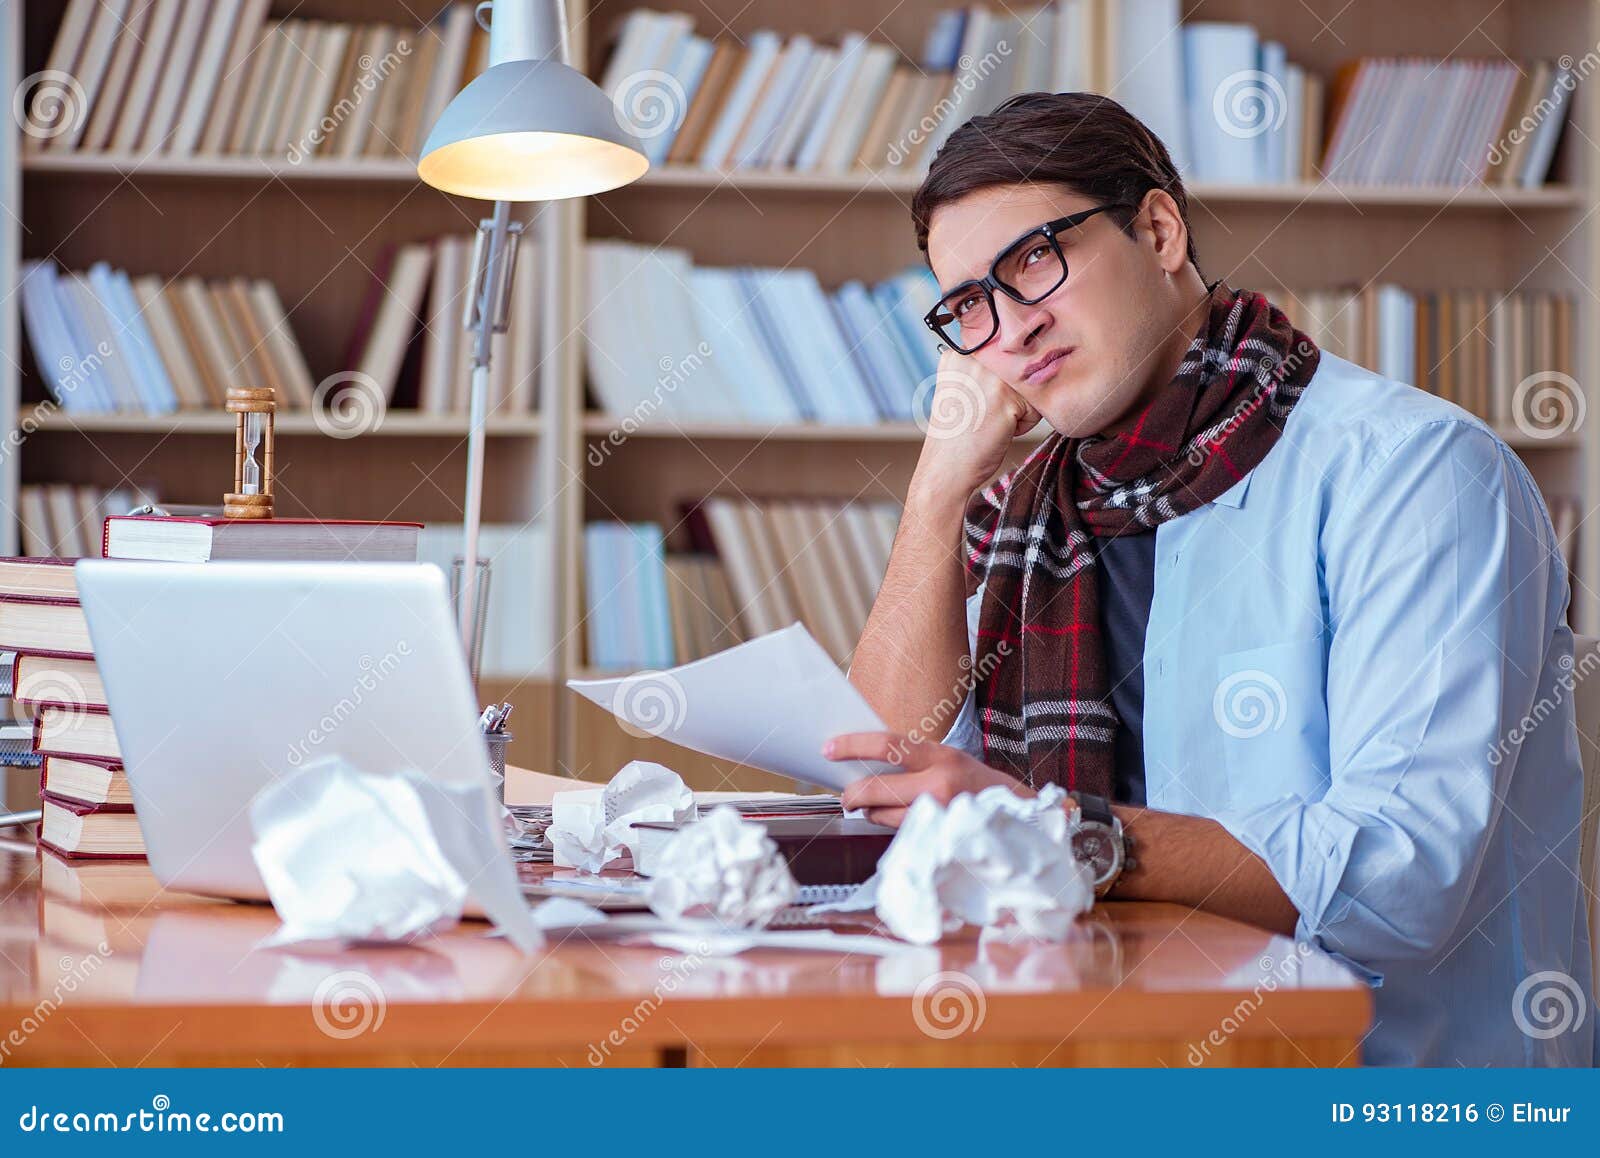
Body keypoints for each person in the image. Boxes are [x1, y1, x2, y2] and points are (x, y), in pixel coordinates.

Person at [827, 91, 1595, 1067]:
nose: (1009, 331)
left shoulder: (1414, 471)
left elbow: (1399, 883)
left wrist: (1058, 835)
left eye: (1032, 261)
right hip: (1106, 1060)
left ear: (1156, 230)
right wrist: (935, 495)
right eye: (968, 306)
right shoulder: (1025, 513)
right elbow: (881, 782)